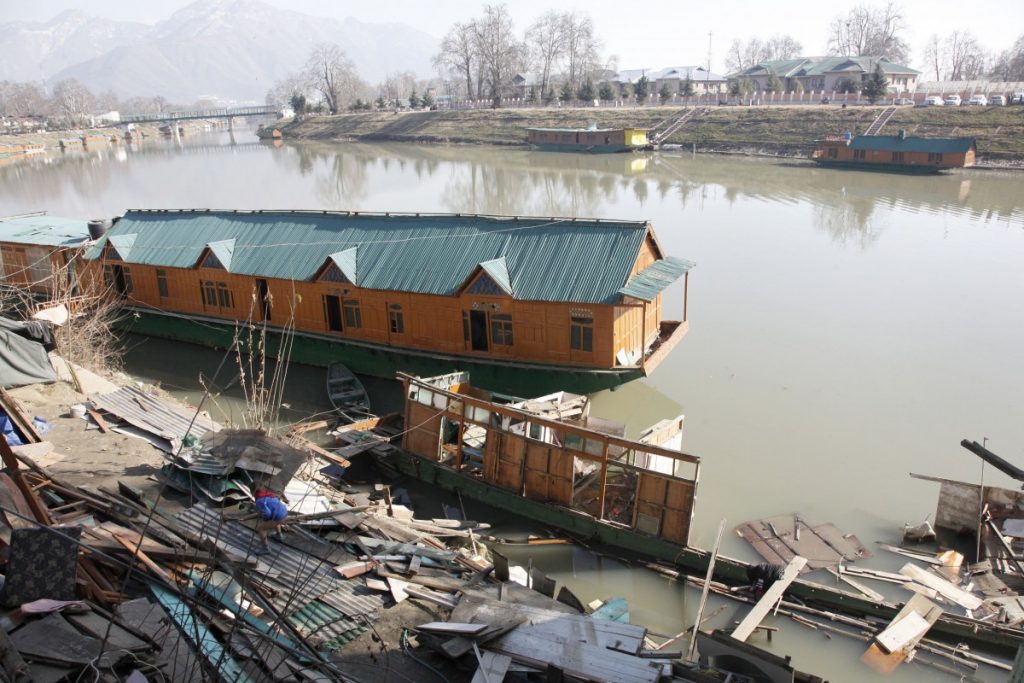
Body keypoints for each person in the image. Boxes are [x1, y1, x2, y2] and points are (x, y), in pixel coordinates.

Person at [254, 486, 288, 555]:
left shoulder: (259, 501)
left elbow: (267, 513)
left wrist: (265, 519)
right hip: (284, 512)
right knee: (274, 518)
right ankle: (279, 535)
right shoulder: (270, 494)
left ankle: (265, 549)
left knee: (261, 528)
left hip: (278, 517)